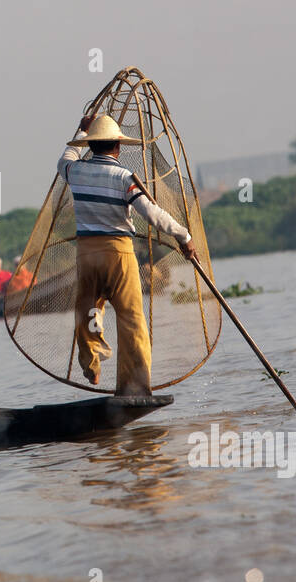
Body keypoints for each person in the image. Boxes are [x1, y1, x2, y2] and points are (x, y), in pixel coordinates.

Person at [59, 112, 197, 396]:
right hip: (118, 255)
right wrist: (183, 236)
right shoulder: (124, 177)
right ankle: (134, 386)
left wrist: (81, 132)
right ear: (118, 146)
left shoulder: (76, 171)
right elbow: (152, 214)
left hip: (87, 256)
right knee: (131, 319)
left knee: (87, 312)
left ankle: (91, 365)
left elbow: (65, 159)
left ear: (91, 145)